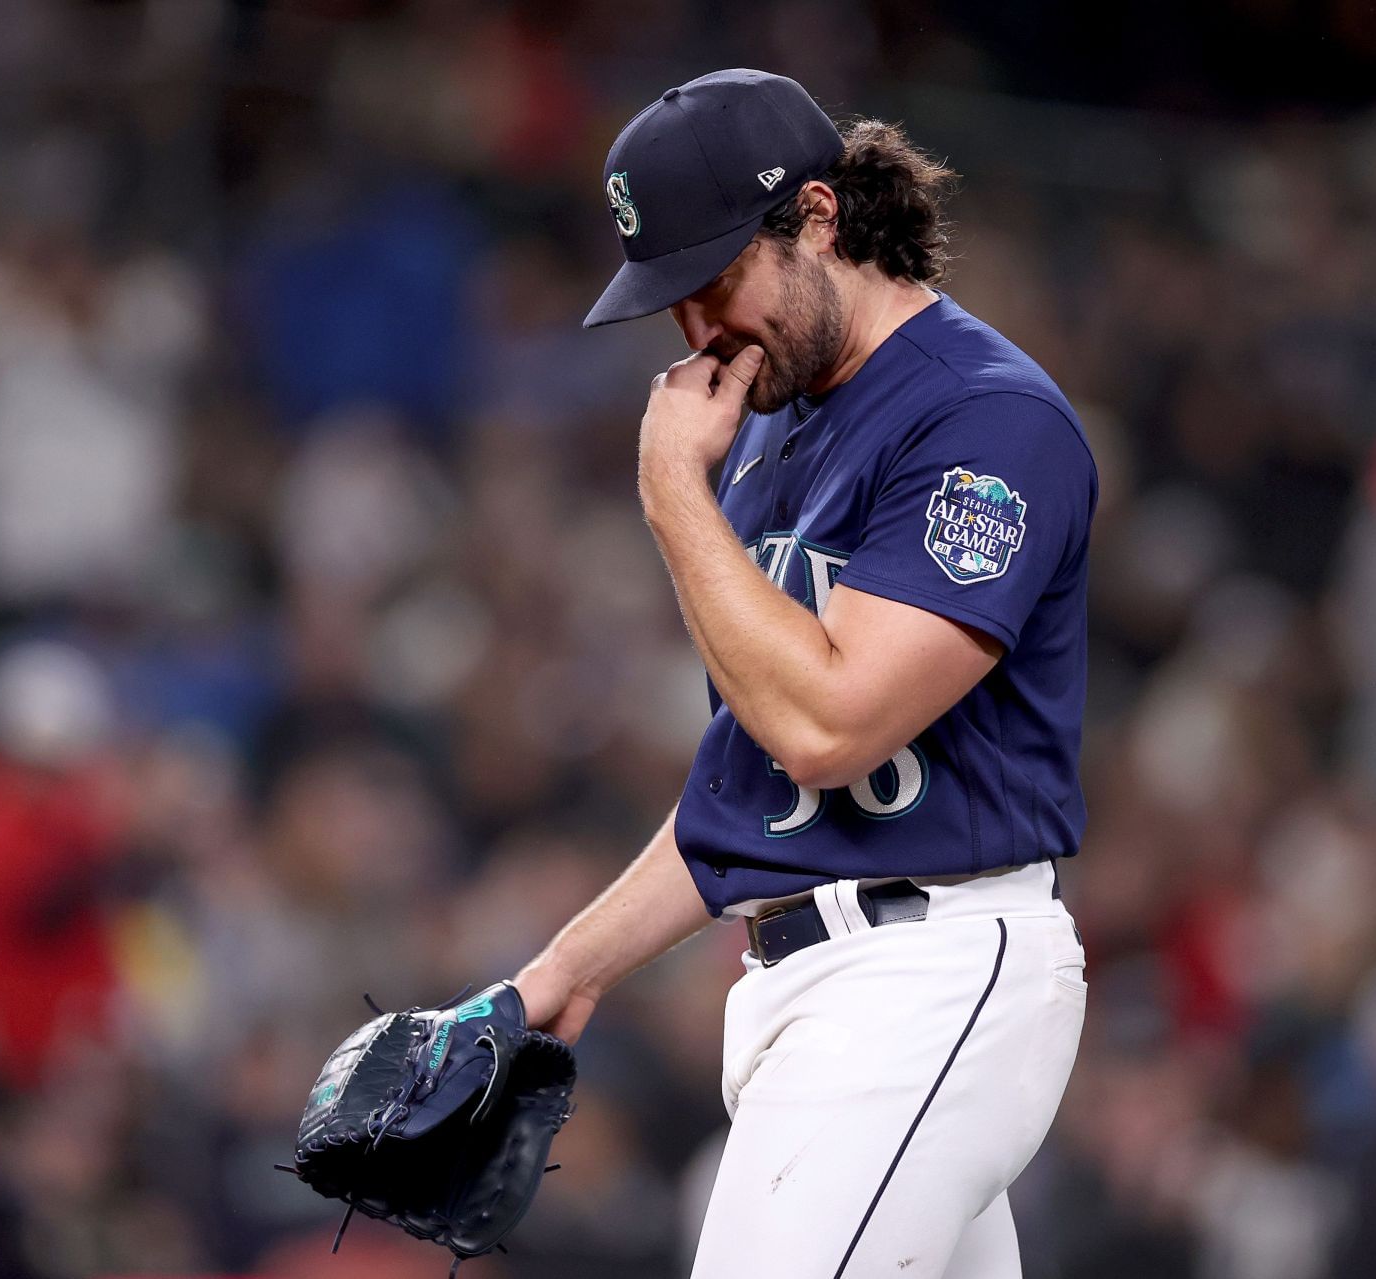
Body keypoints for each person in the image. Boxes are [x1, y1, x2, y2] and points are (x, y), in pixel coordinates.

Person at [513, 68, 1098, 1277]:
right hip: (810, 983)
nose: (696, 331)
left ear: (820, 217)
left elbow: (832, 731)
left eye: (714, 278)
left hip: (926, 973)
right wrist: (562, 974)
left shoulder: (987, 422)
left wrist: (672, 492)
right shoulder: (769, 428)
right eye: (669, 299)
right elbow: (755, 788)